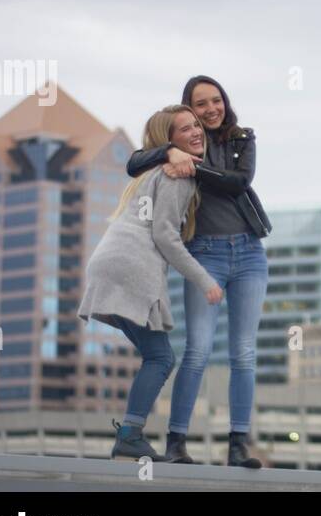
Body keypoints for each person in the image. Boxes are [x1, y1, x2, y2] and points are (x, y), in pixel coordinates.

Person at [126, 75, 269, 468]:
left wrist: (189, 167)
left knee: (243, 353)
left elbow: (238, 183)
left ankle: (238, 446)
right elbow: (132, 162)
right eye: (200, 104)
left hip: (249, 254)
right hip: (204, 252)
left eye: (216, 100)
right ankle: (176, 444)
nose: (210, 109)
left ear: (225, 102)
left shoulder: (241, 138)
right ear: (189, 109)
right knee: (198, 351)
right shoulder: (181, 144)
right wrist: (169, 153)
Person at [79, 105, 223, 461]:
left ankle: (129, 434)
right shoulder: (178, 174)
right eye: (184, 129)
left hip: (109, 261)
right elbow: (164, 235)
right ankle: (129, 435)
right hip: (133, 263)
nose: (195, 132)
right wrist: (205, 280)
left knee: (155, 355)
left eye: (196, 126)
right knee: (160, 357)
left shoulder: (153, 171)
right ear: (169, 141)